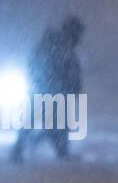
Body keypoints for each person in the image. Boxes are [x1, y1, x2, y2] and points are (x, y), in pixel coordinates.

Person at [12, 15, 85, 162]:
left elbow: (35, 64)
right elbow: (60, 70)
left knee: (46, 123)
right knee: (53, 123)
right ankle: (58, 151)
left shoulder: (58, 46)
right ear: (72, 32)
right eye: (78, 34)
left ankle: (22, 149)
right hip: (50, 91)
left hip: (49, 91)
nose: (80, 39)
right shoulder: (58, 48)